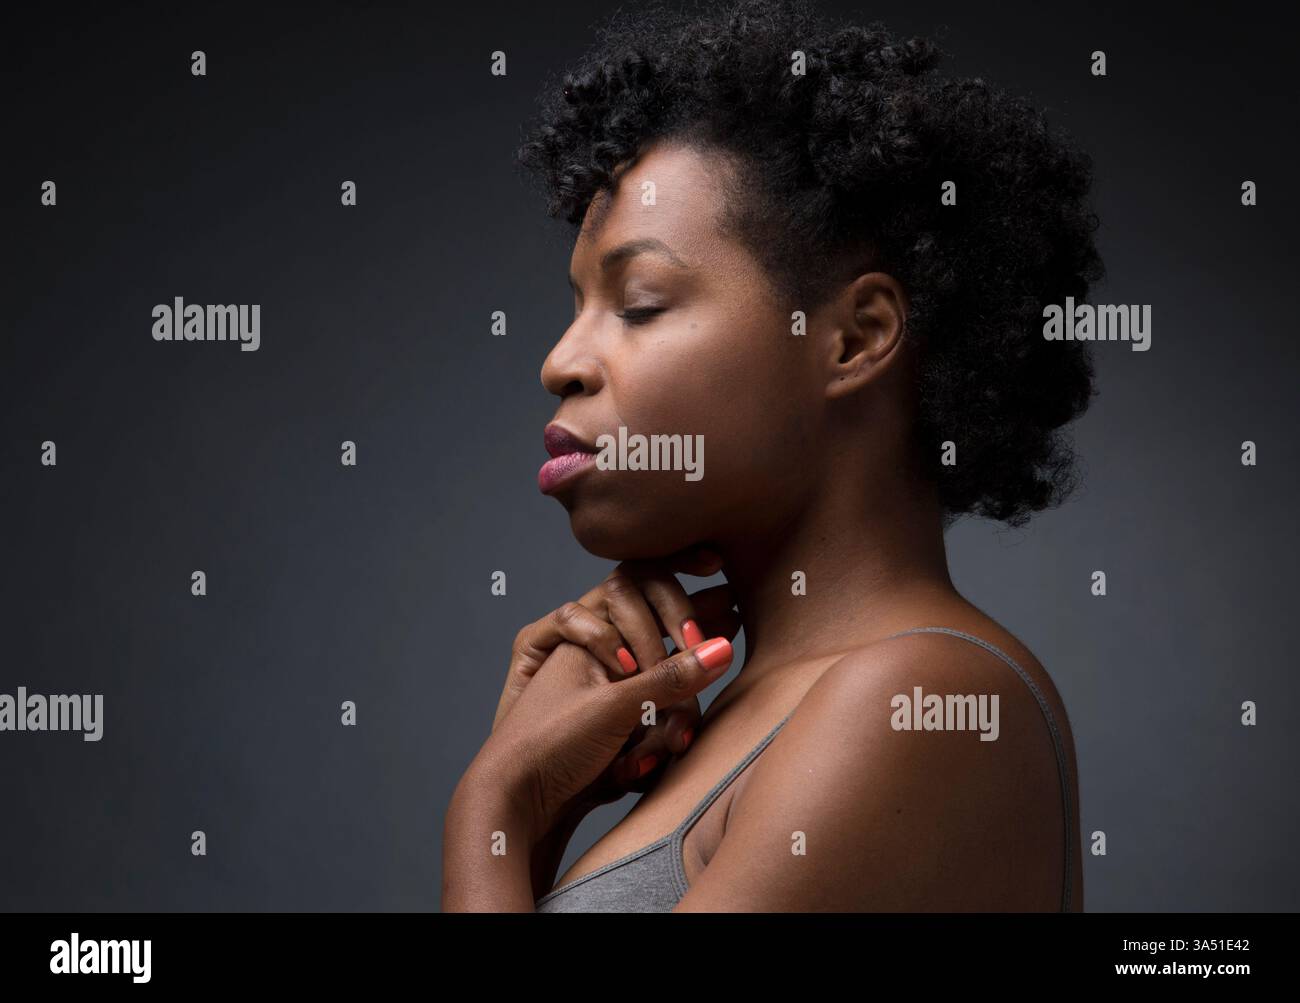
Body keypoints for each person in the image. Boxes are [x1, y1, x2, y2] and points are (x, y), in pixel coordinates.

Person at [442, 0, 1099, 912]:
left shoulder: (922, 701)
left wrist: (490, 802)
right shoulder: (744, 712)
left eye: (639, 303)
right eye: (576, 305)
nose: (560, 362)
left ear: (854, 338)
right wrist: (543, 810)